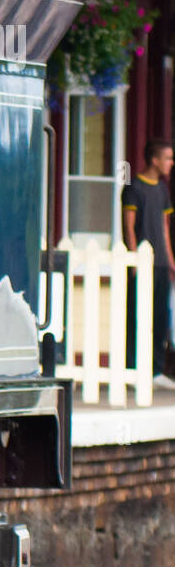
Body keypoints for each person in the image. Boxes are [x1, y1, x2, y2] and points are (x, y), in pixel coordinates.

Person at [121, 139, 175, 390]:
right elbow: (128, 225)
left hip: (161, 263)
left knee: (160, 318)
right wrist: (133, 261)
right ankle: (133, 368)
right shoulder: (133, 186)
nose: (170, 163)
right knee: (137, 315)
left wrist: (170, 260)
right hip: (141, 264)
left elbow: (164, 229)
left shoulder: (162, 189)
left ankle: (155, 370)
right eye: (167, 158)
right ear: (154, 160)